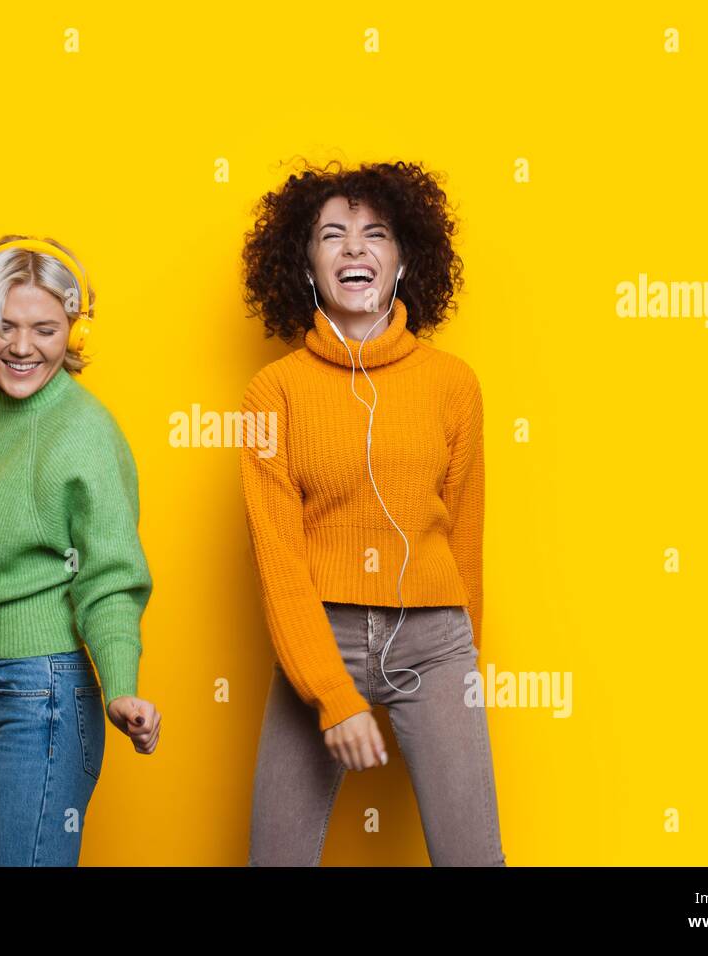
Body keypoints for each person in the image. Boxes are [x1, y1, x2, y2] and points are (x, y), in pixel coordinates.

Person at [239, 161, 507, 866]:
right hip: (319, 636)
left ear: (403, 259)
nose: (354, 249)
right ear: (306, 266)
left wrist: (462, 665)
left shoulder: (454, 385)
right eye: (332, 235)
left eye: (375, 234)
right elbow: (279, 563)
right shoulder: (274, 393)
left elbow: (467, 535)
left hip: (435, 641)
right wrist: (331, 691)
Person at [0, 234, 161, 866]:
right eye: (5, 326)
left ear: (74, 334)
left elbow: (109, 574)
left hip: (43, 698)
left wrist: (121, 688)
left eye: (46, 329)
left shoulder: (83, 431)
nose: (23, 347)